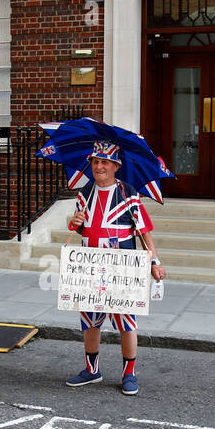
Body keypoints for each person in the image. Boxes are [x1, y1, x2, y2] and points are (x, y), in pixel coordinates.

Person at [64, 141, 167, 396]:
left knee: (126, 323)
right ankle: (92, 370)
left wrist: (155, 263)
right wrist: (75, 223)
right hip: (90, 267)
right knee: (90, 321)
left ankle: (129, 374)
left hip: (121, 270)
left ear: (115, 166)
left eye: (104, 162)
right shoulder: (84, 193)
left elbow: (144, 234)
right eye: (95, 162)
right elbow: (81, 228)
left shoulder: (129, 194)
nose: (99, 166)